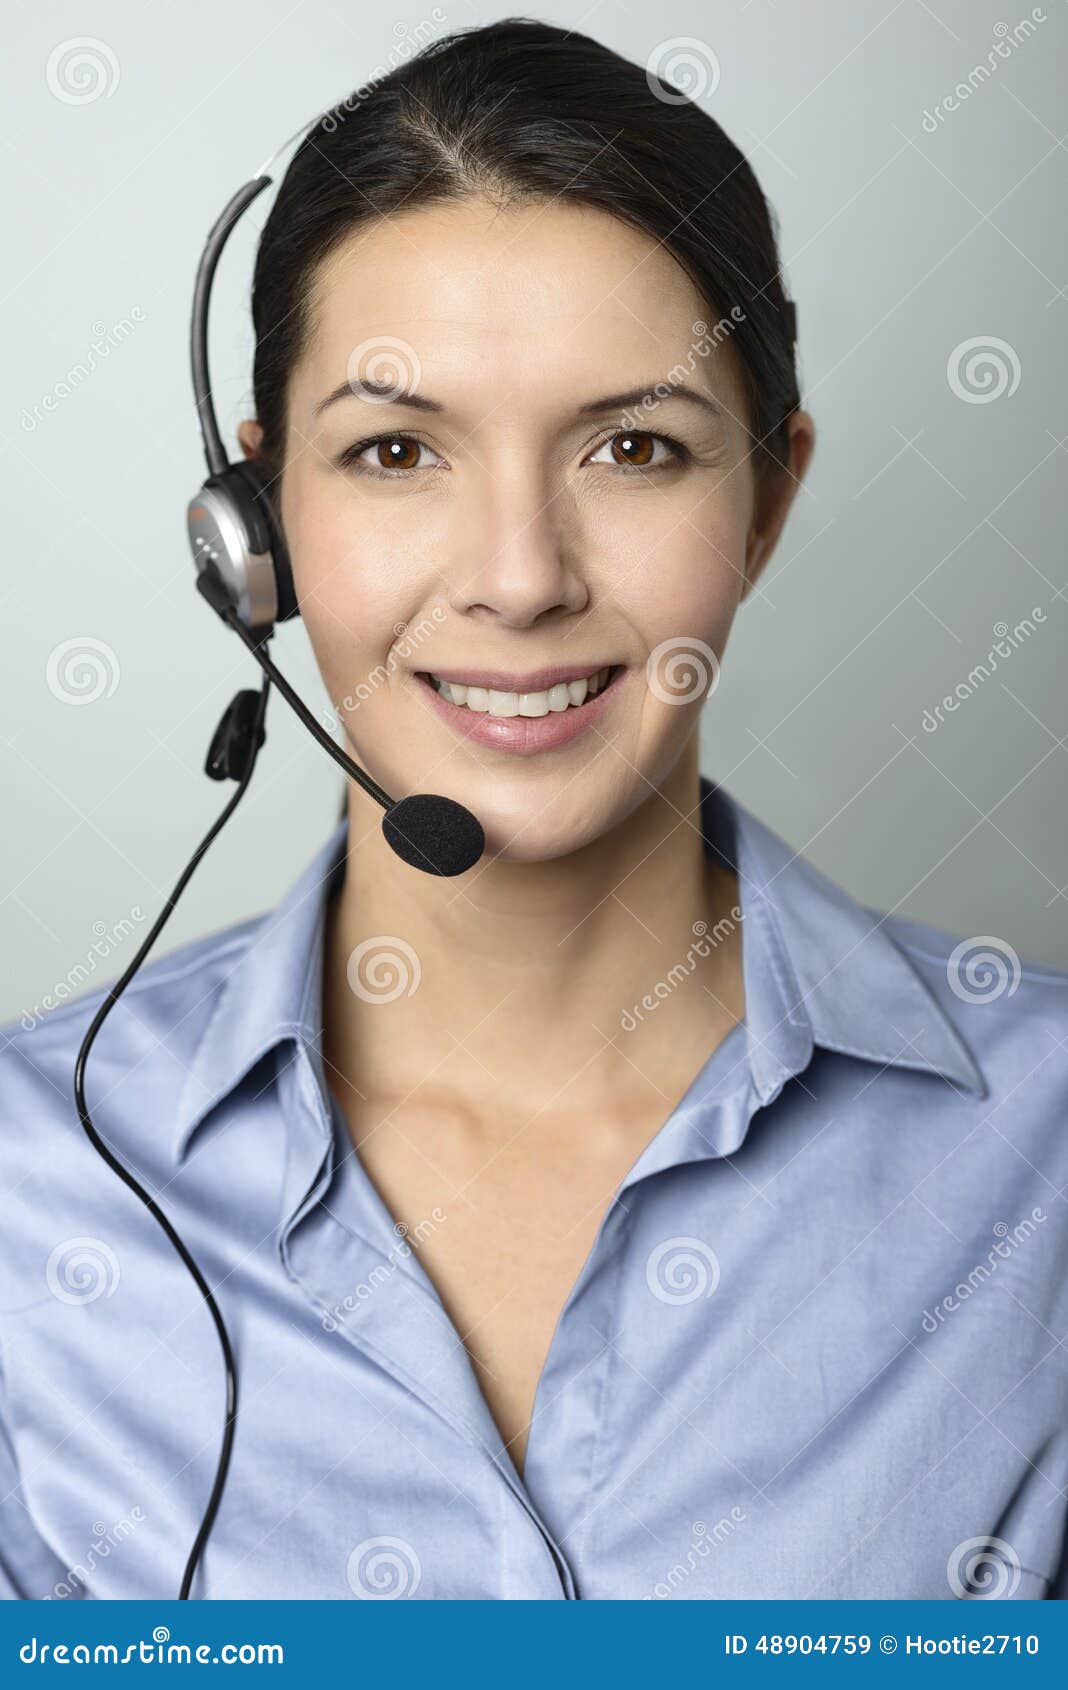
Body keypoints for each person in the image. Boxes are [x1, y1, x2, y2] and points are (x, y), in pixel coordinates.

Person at [2, 17, 1066, 1602]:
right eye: (394, 451)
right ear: (257, 523)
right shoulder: (32, 1187)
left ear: (767, 497)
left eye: (635, 447)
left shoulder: (1040, 1161)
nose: (520, 576)